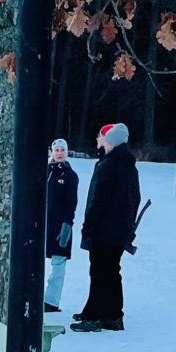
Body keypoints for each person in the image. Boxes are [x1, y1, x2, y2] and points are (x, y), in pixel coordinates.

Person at [71, 122, 139, 333]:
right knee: (110, 271)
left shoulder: (109, 165)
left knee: (100, 271)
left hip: (105, 230)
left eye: (100, 137)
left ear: (109, 141)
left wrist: (88, 226)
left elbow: (97, 200)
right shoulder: (128, 165)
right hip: (118, 231)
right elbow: (135, 199)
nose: (98, 140)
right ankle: (111, 315)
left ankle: (94, 317)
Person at [44, 138, 79, 313]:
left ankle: (51, 301)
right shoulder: (45, 172)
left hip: (60, 228)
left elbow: (71, 202)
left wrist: (67, 224)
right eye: (56, 150)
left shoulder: (70, 176)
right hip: (43, 226)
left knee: (58, 264)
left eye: (62, 150)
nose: (59, 153)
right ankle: (30, 296)